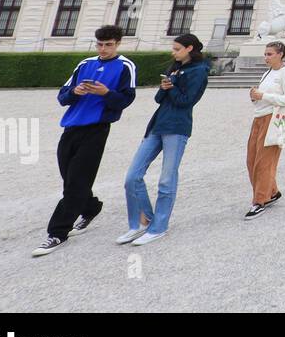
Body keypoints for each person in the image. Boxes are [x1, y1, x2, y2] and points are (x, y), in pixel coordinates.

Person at [33, 25, 138, 256]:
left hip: (97, 129)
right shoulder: (84, 64)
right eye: (100, 44)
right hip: (70, 127)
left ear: (117, 44)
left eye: (108, 45)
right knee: (70, 179)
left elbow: (126, 100)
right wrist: (75, 92)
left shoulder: (126, 66)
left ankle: (57, 233)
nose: (103, 49)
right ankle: (91, 207)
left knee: (76, 182)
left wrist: (105, 93)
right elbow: (62, 97)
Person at [119, 33, 209, 246]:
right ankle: (142, 221)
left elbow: (187, 101)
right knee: (132, 176)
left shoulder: (199, 71)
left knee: (167, 180)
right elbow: (159, 98)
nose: (173, 52)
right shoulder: (174, 67)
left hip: (177, 127)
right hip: (158, 124)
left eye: (177, 49)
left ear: (189, 48)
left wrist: (173, 87)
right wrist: (165, 87)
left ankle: (159, 226)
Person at [245, 41, 285, 220]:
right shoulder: (267, 73)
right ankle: (272, 191)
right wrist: (255, 96)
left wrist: (264, 96)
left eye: (270, 54)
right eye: (265, 54)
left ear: (280, 54)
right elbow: (264, 96)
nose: (266, 57)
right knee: (252, 159)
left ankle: (259, 201)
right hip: (259, 117)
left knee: (264, 162)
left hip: (275, 118)